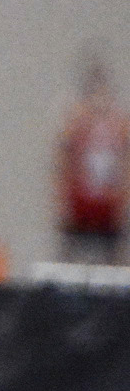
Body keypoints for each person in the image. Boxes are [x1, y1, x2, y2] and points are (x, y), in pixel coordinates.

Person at [58, 52, 128, 262]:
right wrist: (63, 202)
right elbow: (63, 163)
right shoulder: (75, 122)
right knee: (72, 256)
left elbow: (124, 165)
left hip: (109, 208)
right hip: (80, 207)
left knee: (112, 259)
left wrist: (123, 200)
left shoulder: (119, 125)